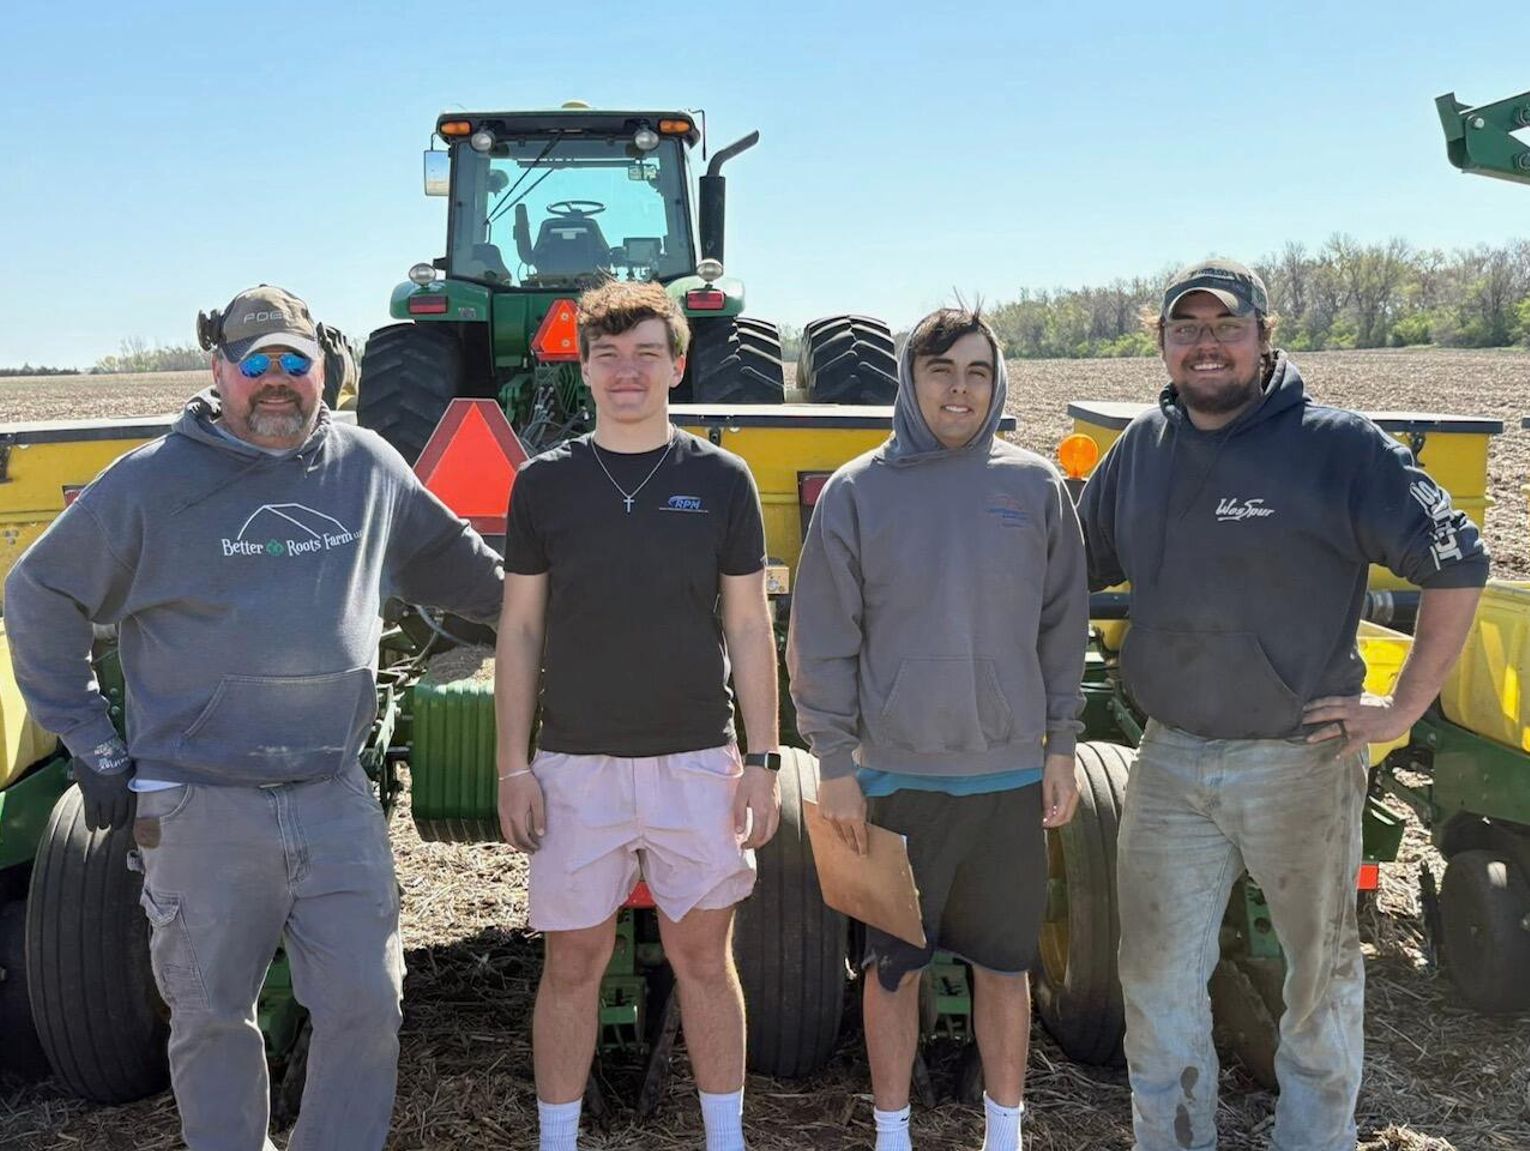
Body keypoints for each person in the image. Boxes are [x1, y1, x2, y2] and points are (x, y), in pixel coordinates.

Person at [4, 285, 505, 1151]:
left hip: (332, 795)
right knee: (211, 1018)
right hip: (200, 803)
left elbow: (461, 567)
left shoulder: (367, 468)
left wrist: (565, 617)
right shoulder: (153, 482)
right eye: (256, 362)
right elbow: (38, 590)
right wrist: (88, 736)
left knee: (367, 1003)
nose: (277, 380)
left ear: (325, 372)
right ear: (219, 370)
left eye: (294, 362)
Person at [1076, 259, 1490, 1151]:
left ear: (1265, 336)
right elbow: (1068, 562)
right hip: (1169, 759)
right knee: (1155, 981)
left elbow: (1458, 559)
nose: (1206, 345)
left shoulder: (1338, 446)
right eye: (1186, 328)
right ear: (1162, 343)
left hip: (1299, 759)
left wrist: (1403, 705)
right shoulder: (1141, 449)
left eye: (1226, 326)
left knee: (1320, 977)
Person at [787, 307, 1088, 1151]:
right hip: (894, 779)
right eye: (942, 371)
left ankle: (1005, 1133)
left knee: (1005, 966)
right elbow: (821, 637)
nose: (961, 389)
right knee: (892, 969)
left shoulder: (1035, 488)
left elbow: (1063, 627)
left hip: (1008, 778)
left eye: (977, 372)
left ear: (998, 384)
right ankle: (892, 1133)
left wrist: (1062, 743)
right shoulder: (857, 492)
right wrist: (835, 763)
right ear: (909, 382)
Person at [494, 280, 782, 1151]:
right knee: (572, 964)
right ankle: (557, 1140)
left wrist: (763, 759)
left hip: (695, 761)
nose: (628, 371)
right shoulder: (544, 484)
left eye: (647, 354)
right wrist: (514, 765)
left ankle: (725, 1138)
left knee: (704, 960)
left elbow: (748, 626)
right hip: (575, 764)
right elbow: (520, 629)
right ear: (584, 369)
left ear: (677, 365)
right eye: (609, 355)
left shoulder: (722, 480)